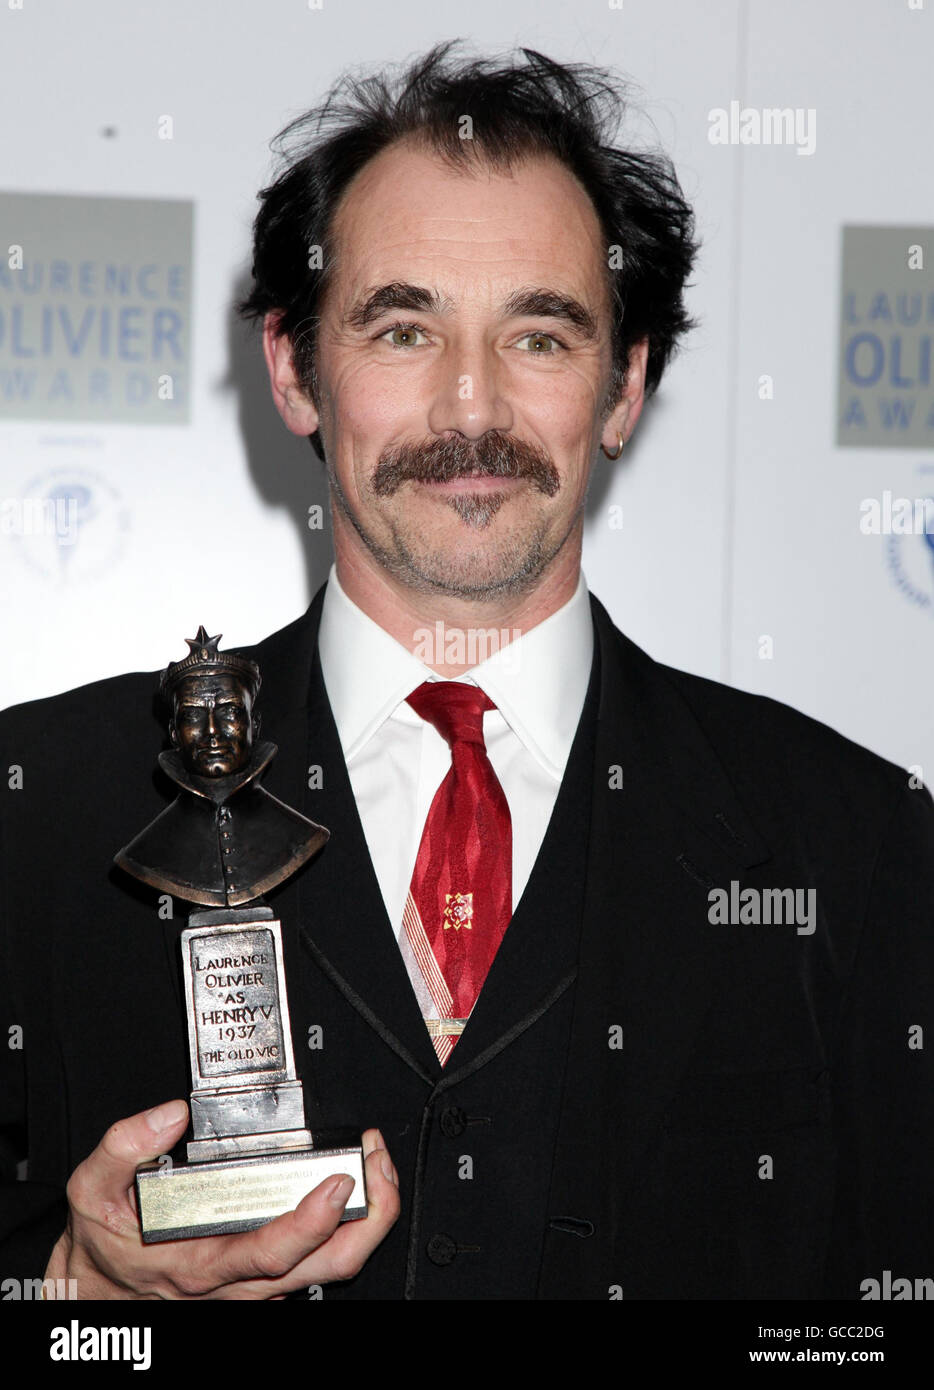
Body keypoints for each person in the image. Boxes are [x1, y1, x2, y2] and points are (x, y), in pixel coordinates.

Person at [1, 41, 932, 1301]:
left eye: (539, 336)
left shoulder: (856, 846)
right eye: (401, 326)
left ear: (626, 383)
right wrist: (77, 1308)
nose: (469, 407)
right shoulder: (41, 811)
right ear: (293, 368)